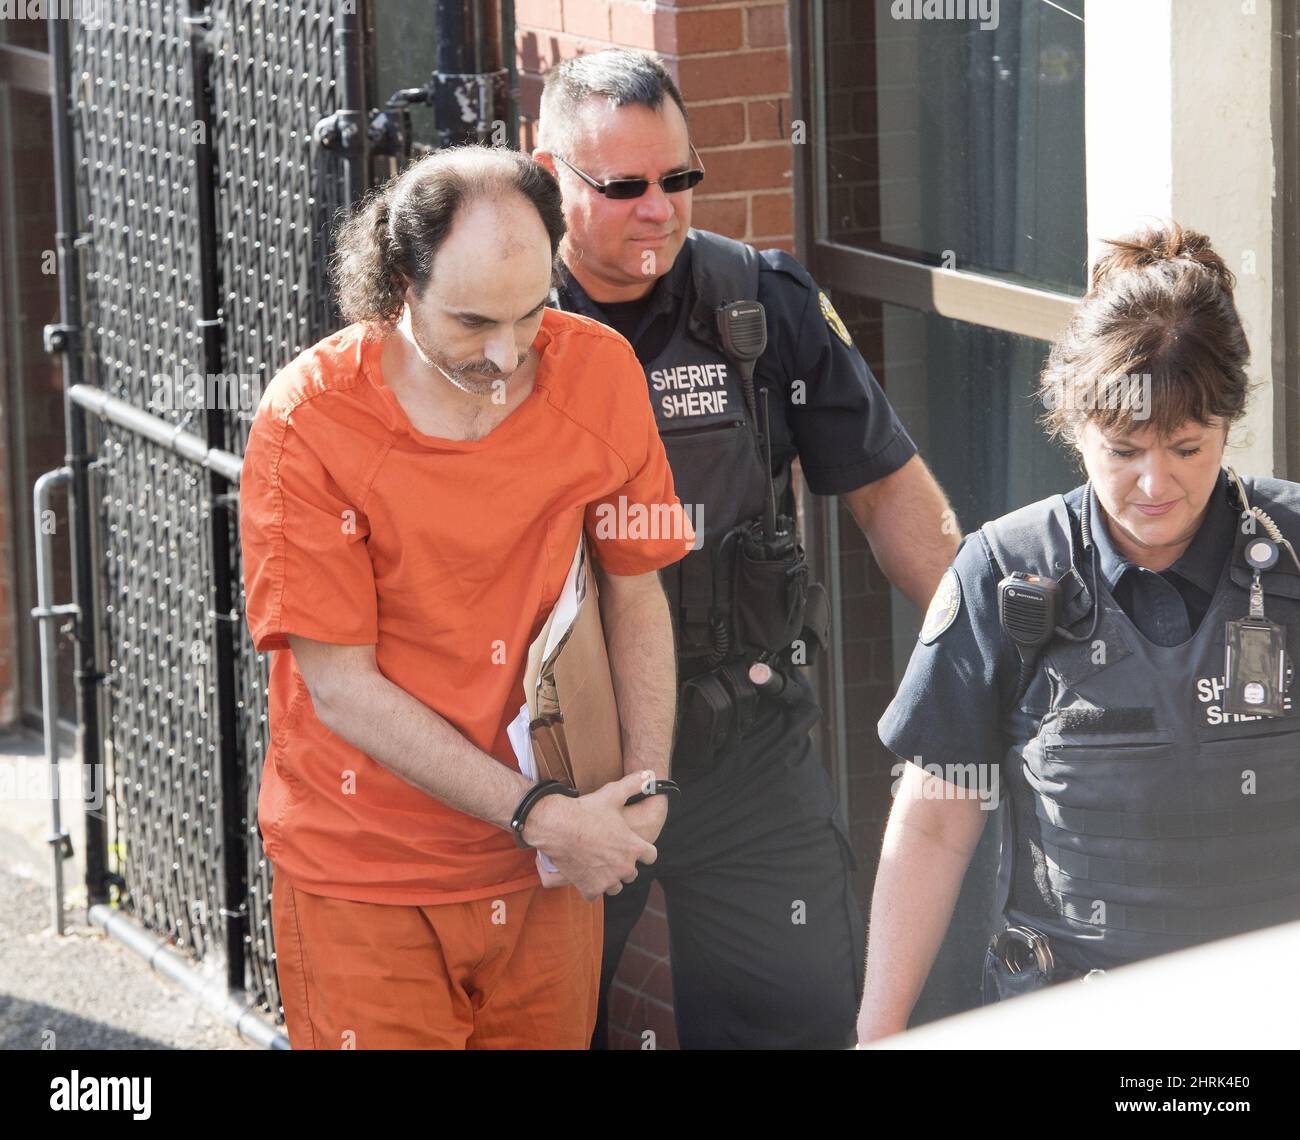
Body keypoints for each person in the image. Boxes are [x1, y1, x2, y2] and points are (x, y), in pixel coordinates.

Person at [532, 48, 959, 1049]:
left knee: (802, 1024)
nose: (658, 208)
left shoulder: (756, 304)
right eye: (622, 185)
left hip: (746, 746)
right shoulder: (506, 320)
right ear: (545, 165)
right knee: (542, 1032)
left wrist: (984, 656)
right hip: (572, 768)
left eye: (678, 179)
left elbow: (889, 495)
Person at [238, 146, 692, 1049]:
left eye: (532, 313)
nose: (506, 353)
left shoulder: (597, 371)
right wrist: (543, 816)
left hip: (548, 868)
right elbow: (342, 688)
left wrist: (645, 784)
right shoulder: (309, 420)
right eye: (472, 321)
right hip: (370, 870)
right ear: (398, 284)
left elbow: (637, 592)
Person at [857, 222, 1300, 1042]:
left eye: (1187, 447)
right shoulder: (1003, 573)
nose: (1155, 482)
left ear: (1229, 423)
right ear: (1073, 425)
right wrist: (879, 1031)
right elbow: (933, 818)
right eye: (1123, 449)